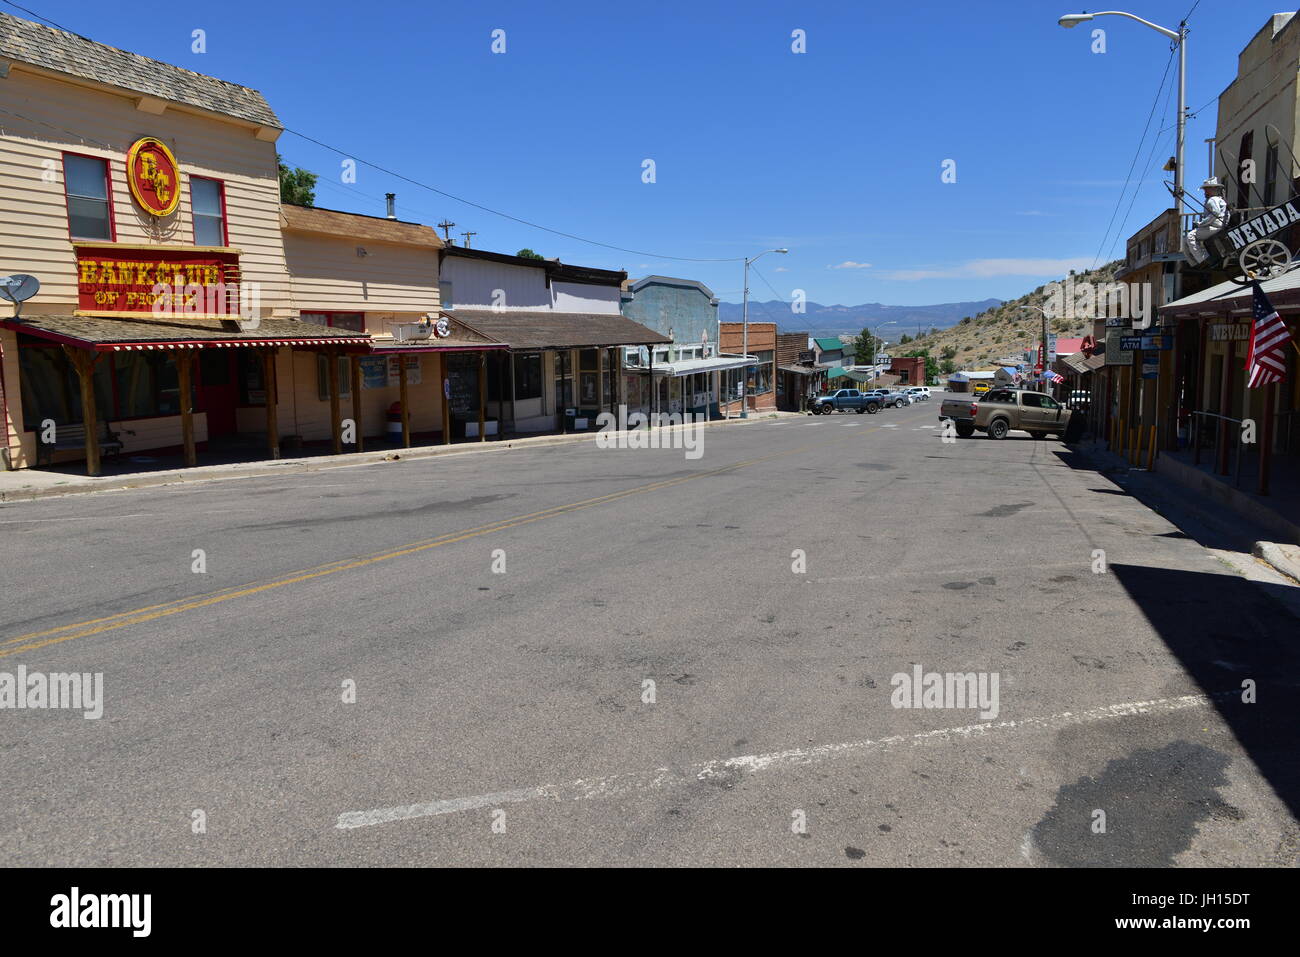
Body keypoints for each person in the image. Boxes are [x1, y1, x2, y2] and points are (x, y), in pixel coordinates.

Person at [1185, 177, 1229, 265]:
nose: (1205, 192)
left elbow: (1215, 213)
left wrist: (1201, 224)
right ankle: (1195, 263)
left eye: (1206, 189)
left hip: (1216, 227)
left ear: (1213, 189)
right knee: (1185, 240)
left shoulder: (1212, 200)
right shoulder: (1216, 199)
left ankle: (1204, 260)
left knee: (1190, 236)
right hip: (1215, 226)